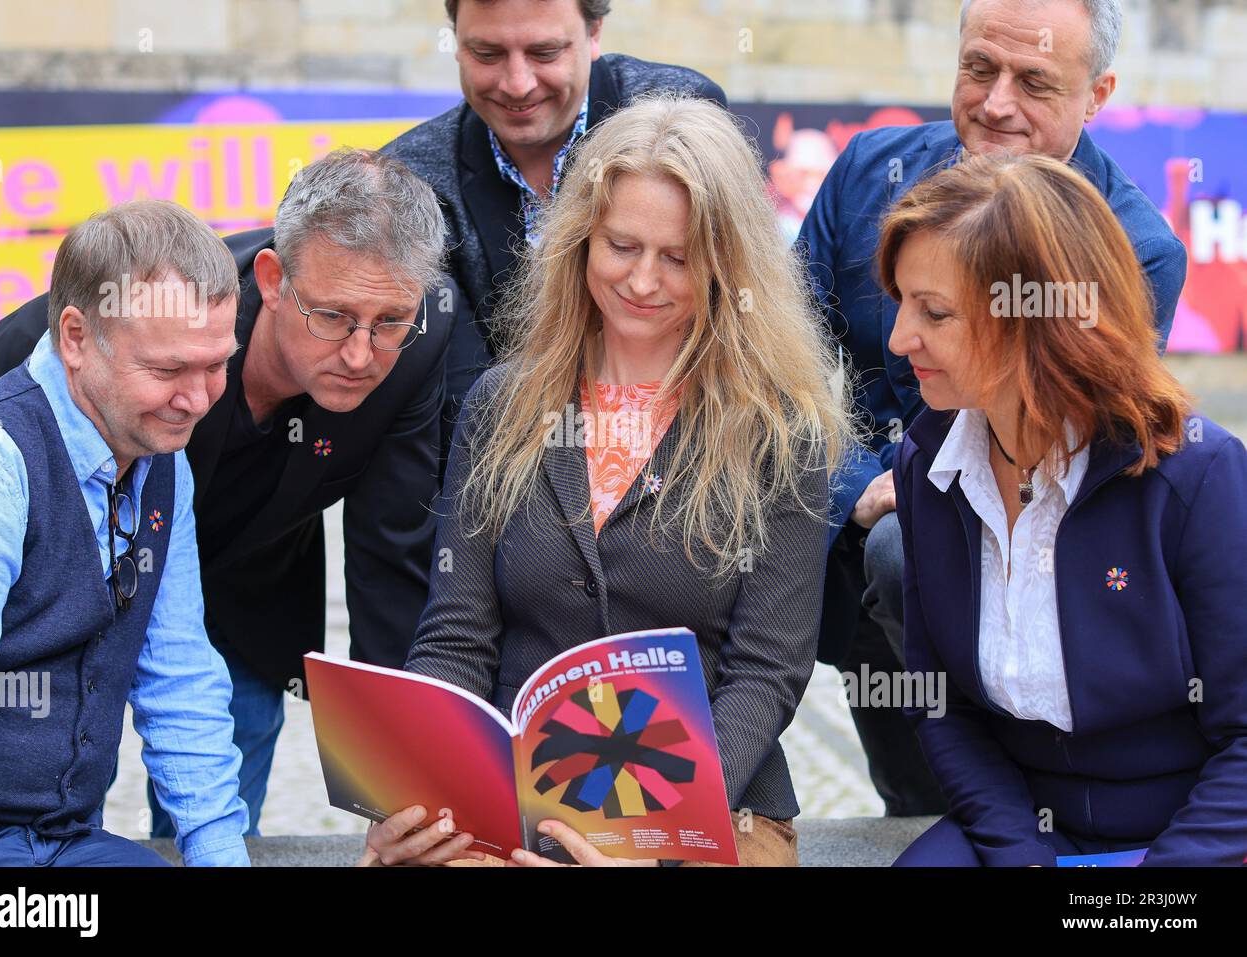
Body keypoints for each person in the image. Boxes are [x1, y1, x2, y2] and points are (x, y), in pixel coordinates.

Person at [361, 93, 856, 868]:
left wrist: (652, 838)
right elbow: (456, 635)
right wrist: (433, 788)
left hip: (712, 808)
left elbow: (766, 673)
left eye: (680, 257)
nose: (644, 281)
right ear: (580, 240)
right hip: (521, 799)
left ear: (728, 265)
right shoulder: (504, 403)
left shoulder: (778, 428)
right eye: (622, 245)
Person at [0, 149, 455, 838]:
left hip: (244, 599)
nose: (363, 353)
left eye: (390, 320)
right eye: (333, 316)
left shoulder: (417, 347)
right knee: (27, 784)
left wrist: (398, 786)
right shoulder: (146, 312)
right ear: (272, 281)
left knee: (217, 795)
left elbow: (393, 556)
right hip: (52, 591)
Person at [796, 0, 1189, 817]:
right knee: (913, 806)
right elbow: (781, 372)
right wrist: (863, 486)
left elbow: (1058, 443)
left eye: (1034, 81)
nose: (995, 101)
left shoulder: (1133, 249)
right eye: (979, 68)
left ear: (1097, 94)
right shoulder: (870, 170)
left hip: (1015, 577)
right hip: (862, 560)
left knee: (912, 546)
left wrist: (912, 491)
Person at [882, 152, 1247, 866]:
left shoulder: (1200, 478)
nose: (899, 339)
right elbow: (942, 703)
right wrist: (1021, 854)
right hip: (1025, 829)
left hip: (1198, 834)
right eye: (900, 301)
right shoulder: (929, 467)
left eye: (935, 312)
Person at [0, 200, 250, 866]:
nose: (198, 400)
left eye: (215, 365)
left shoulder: (164, 460)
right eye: (169, 370)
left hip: (70, 841)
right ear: (76, 337)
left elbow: (180, 678)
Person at [383, 0, 726, 463]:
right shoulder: (415, 179)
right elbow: (462, 401)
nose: (517, 84)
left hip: (689, 454)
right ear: (456, 42)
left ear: (595, 32)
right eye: (486, 54)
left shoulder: (684, 110)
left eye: (545, 53)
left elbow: (736, 319)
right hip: (511, 470)